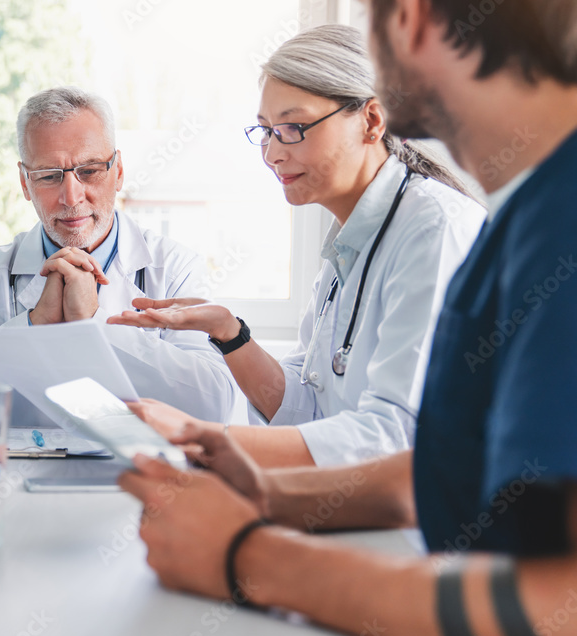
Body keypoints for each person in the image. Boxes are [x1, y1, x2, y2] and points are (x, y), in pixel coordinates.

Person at [119, 0, 577, 636]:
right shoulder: (527, 214)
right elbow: (438, 470)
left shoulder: (542, 225)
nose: (275, 149)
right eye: (266, 131)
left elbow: (560, 614)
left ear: (410, 19)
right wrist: (262, 491)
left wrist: (250, 555)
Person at [108, 25, 485, 468]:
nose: (271, 154)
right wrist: (229, 333)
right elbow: (305, 411)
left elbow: (395, 437)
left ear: (371, 120)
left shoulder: (434, 231)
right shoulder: (347, 246)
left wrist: (209, 437)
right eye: (265, 130)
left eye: (293, 128)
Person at [0, 87, 236, 427]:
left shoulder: (174, 269)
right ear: (24, 182)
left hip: (133, 476)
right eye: (49, 176)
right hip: (13, 475)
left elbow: (211, 406)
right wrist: (34, 325)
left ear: (118, 171)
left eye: (90, 171)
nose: (71, 196)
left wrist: (94, 322)